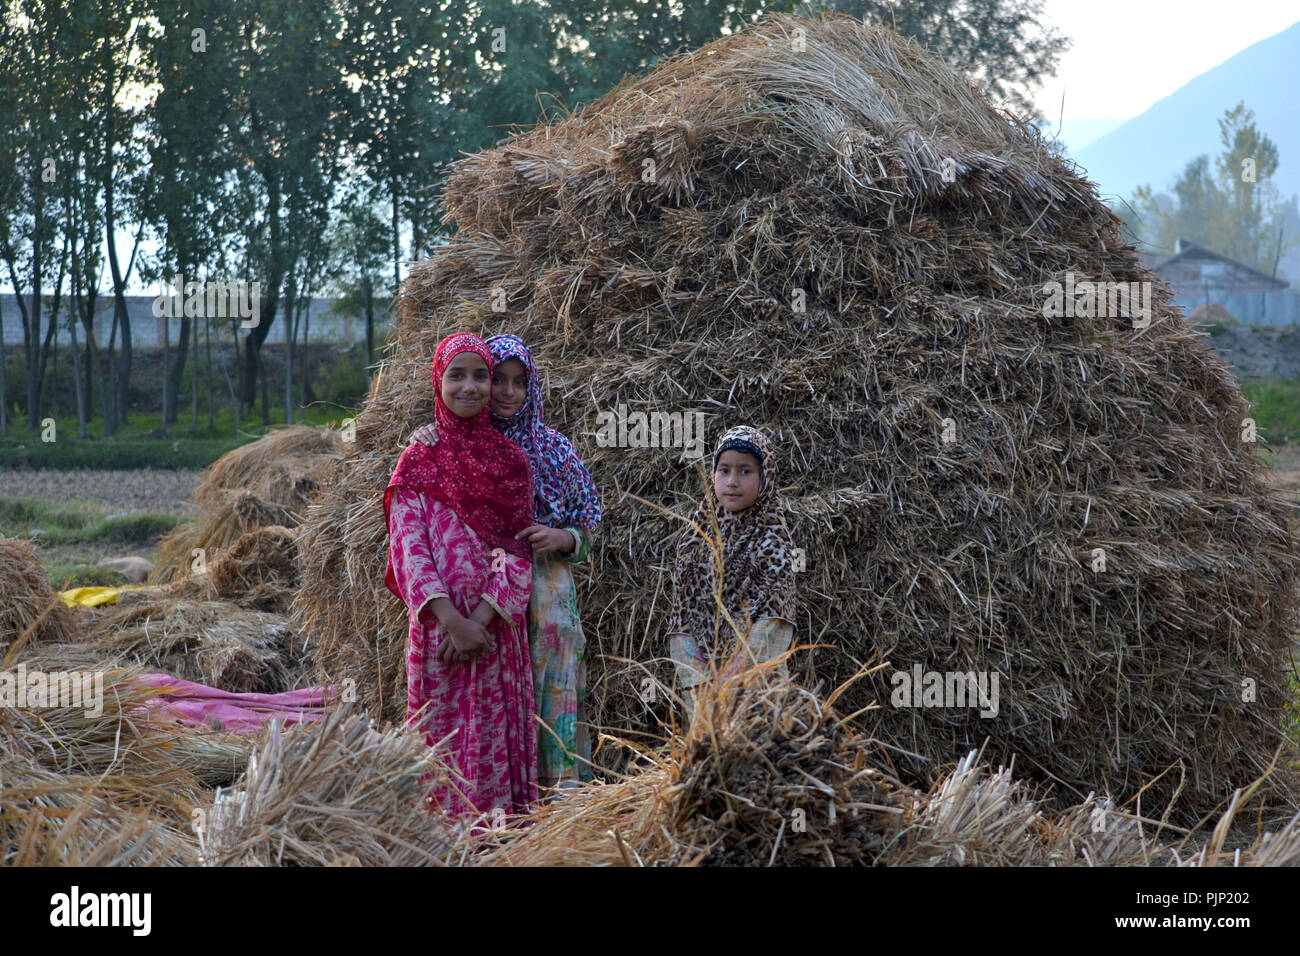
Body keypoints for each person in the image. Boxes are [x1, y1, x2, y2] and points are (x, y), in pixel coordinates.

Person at [411, 334, 602, 792]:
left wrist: (565, 537)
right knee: (499, 694)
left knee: (553, 690)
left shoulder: (553, 448)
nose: (507, 392)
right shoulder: (452, 442)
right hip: (485, 594)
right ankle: (509, 797)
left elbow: (590, 530)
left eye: (520, 383)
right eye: (498, 379)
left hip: (547, 593)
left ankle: (562, 799)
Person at [384, 332, 538, 818]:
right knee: (441, 745)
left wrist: (482, 621)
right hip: (437, 634)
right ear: (438, 380)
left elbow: (518, 552)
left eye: (481, 376)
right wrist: (453, 621)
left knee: (492, 741)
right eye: (457, 374)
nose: (469, 387)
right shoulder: (418, 460)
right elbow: (410, 549)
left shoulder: (511, 463)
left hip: (495, 637)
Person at [665, 425, 797, 719]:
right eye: (723, 470)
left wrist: (729, 683)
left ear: (766, 477)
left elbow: (772, 624)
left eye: (745, 471)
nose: (732, 481)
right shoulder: (695, 540)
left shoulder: (772, 542)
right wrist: (700, 684)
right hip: (701, 696)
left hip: (756, 692)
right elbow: (680, 620)